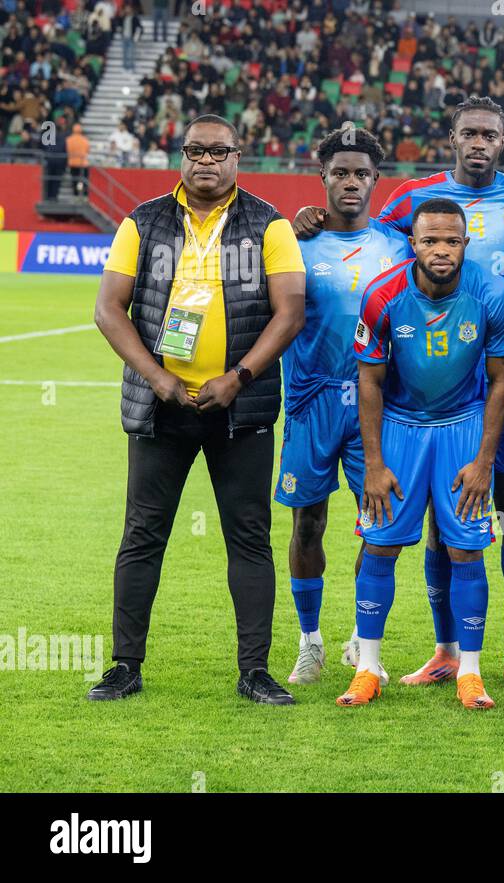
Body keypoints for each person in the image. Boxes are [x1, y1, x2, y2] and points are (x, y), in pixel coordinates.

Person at [295, 97, 504, 692]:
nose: (479, 142)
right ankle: (442, 650)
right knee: (433, 526)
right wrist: (314, 218)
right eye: (470, 133)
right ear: (452, 137)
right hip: (415, 403)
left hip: (496, 384)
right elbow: (363, 234)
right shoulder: (410, 199)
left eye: (491, 134)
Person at [89, 114, 306, 704]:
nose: (205, 161)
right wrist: (157, 376)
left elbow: (290, 312)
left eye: (218, 151)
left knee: (249, 538)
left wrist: (239, 376)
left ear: (238, 157)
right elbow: (109, 308)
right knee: (142, 534)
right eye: (194, 151)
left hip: (241, 406)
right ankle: (125, 666)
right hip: (161, 406)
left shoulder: (270, 224)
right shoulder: (144, 221)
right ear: (180, 157)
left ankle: (255, 671)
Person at [340, 198, 504, 710]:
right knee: (380, 545)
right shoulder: (382, 295)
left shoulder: (494, 294)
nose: (441, 250)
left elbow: (501, 380)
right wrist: (373, 464)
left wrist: (485, 460)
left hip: (463, 427)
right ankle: (368, 668)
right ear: (413, 243)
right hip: (399, 430)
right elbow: (369, 382)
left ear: (466, 243)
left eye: (452, 240)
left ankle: (469, 671)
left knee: (466, 548)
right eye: (430, 240)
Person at [276, 126, 412, 686]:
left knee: (377, 526)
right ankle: (310, 641)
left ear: (375, 180)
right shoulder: (293, 244)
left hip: (375, 406)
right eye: (340, 173)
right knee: (308, 525)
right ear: (324, 179)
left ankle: (361, 635)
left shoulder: (399, 246)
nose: (350, 182)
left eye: (361, 174)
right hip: (311, 404)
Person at [66, 122, 90, 197]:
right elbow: (87, 150)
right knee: (84, 180)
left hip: (72, 163)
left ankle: (75, 194)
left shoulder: (68, 140)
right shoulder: (85, 140)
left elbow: (67, 150)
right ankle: (85, 194)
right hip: (83, 163)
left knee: (74, 180)